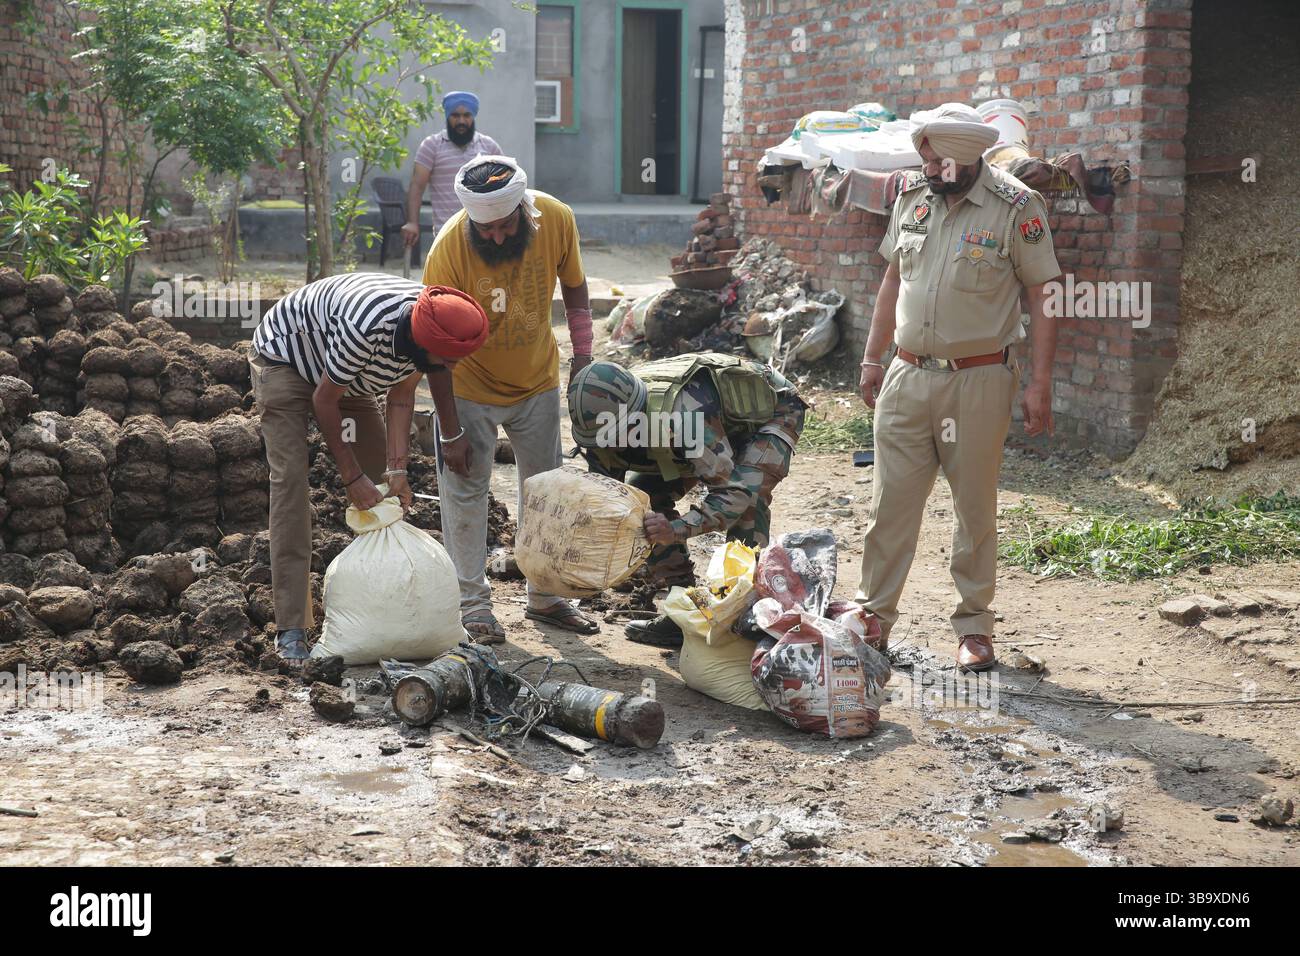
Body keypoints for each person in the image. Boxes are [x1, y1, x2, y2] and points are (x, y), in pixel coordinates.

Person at [855, 102, 1062, 672]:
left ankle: (974, 628)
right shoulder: (913, 198)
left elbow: (1043, 295)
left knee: (973, 509)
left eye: (942, 164)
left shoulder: (1018, 208)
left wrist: (1039, 383)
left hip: (978, 381)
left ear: (971, 160)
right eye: (926, 160)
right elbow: (893, 278)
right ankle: (873, 618)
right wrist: (873, 360)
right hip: (905, 375)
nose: (932, 172)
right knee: (889, 505)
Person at [249, 273, 489, 668]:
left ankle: (386, 612)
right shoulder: (368, 328)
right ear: (424, 342)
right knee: (291, 483)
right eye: (445, 361)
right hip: (288, 360)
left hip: (350, 377)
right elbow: (324, 400)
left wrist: (397, 470)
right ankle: (291, 627)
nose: (449, 369)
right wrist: (350, 477)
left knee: (383, 489)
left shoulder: (426, 338)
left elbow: (401, 396)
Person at [420, 155, 599, 642]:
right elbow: (432, 347)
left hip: (537, 381)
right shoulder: (448, 249)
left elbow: (576, 287)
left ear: (524, 207)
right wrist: (450, 428)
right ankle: (473, 607)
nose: (497, 236)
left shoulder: (556, 217)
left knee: (545, 495)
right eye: (487, 230)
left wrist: (583, 355)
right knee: (465, 492)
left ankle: (545, 597)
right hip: (469, 388)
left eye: (506, 225)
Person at [569, 353, 807, 647]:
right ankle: (682, 607)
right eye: (600, 441)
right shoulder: (601, 427)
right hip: (701, 426)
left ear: (634, 417)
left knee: (750, 502)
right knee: (644, 503)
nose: (609, 446)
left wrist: (678, 528)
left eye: (616, 436)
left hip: (769, 414)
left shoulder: (684, 418)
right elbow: (610, 496)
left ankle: (743, 613)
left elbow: (734, 494)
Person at [403, 91, 503, 252]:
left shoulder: (489, 146)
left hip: (486, 235)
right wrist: (412, 222)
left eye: (467, 115)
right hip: (447, 235)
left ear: (473, 116)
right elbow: (417, 186)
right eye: (455, 115)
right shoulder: (432, 146)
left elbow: (505, 185)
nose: (461, 121)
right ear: (447, 116)